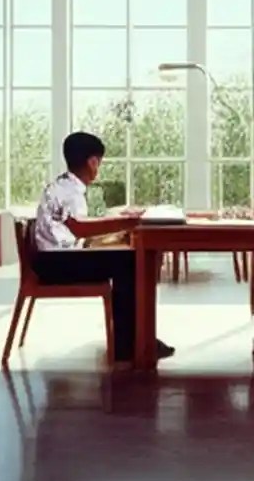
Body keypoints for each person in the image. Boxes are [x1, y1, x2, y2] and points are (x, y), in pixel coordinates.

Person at [30, 131, 174, 363]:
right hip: (56, 263)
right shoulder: (70, 190)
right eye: (99, 163)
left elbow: (75, 227)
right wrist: (127, 222)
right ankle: (130, 344)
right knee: (129, 263)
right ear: (92, 162)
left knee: (127, 259)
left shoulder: (65, 185)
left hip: (53, 259)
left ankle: (134, 340)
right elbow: (80, 229)